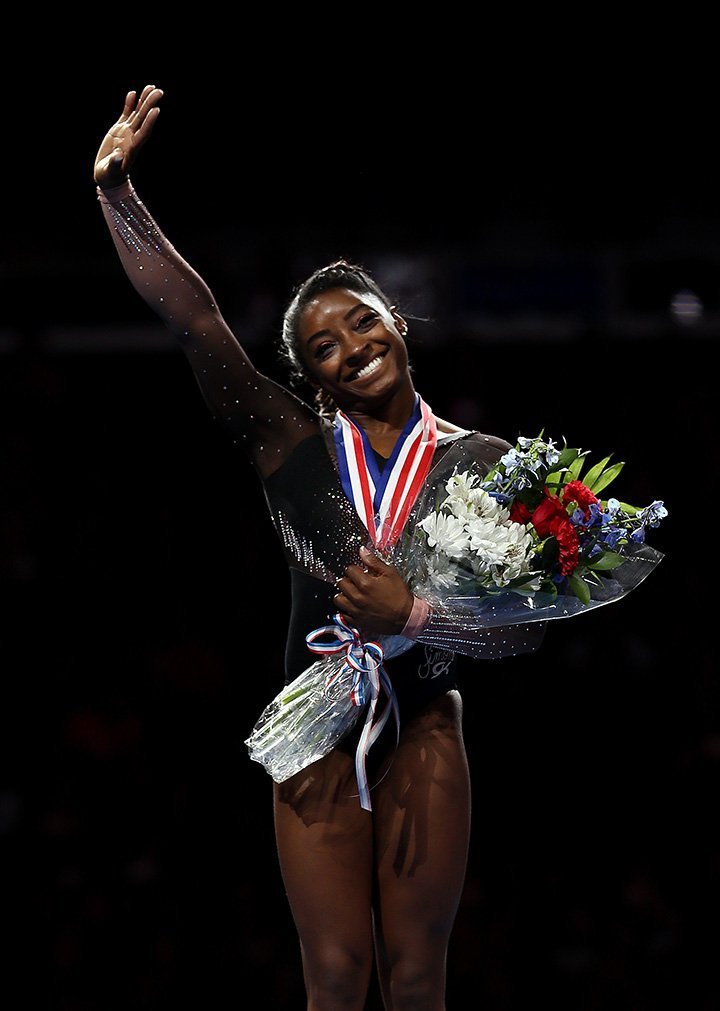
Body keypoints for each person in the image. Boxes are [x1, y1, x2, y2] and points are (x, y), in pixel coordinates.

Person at [93, 84, 546, 1011]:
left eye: (363, 320)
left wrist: (413, 615)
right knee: (336, 977)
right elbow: (196, 317)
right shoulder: (288, 445)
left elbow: (520, 635)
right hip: (313, 722)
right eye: (324, 346)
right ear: (313, 379)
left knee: (417, 978)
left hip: (424, 720)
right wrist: (117, 197)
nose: (352, 346)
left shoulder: (485, 460)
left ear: (399, 324)